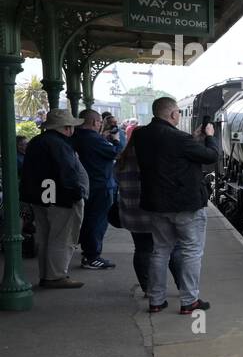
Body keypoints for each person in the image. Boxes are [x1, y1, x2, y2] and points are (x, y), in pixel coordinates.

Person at [132, 96, 217, 315]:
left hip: (157, 204)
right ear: (172, 114)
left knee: (160, 251)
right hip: (185, 205)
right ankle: (189, 301)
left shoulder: (140, 135)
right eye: (178, 112)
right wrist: (209, 137)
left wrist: (192, 138)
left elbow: (169, 153)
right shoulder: (178, 138)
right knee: (191, 251)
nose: (179, 115)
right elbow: (210, 157)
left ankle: (156, 301)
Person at [18, 108, 88, 289]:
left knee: (46, 236)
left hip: (40, 197)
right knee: (62, 237)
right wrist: (76, 193)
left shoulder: (37, 141)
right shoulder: (60, 144)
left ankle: (47, 274)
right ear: (66, 128)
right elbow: (67, 172)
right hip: (61, 198)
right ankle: (56, 276)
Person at [115, 132, 183, 295]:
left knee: (142, 250)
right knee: (174, 249)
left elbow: (115, 180)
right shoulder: (153, 158)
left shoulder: (122, 160)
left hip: (132, 214)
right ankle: (184, 286)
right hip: (154, 212)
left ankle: (148, 288)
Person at [72, 109, 124, 269]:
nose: (101, 124)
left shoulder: (77, 136)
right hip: (100, 184)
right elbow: (117, 152)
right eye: (100, 122)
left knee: (89, 219)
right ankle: (92, 256)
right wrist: (116, 140)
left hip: (88, 183)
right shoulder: (91, 138)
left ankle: (89, 252)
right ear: (95, 122)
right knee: (97, 221)